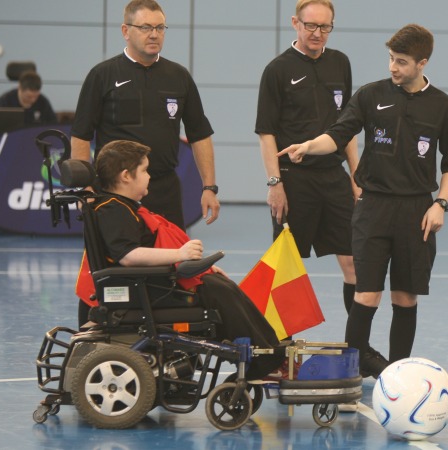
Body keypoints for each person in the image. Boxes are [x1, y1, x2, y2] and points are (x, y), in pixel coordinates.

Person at [279, 24, 448, 378]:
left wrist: (440, 203)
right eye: (391, 59)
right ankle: (351, 372)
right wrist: (307, 146)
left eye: (402, 61)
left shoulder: (443, 106)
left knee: (405, 298)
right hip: (373, 208)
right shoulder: (370, 95)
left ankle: (398, 376)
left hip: (417, 211)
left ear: (422, 62)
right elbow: (337, 136)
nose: (393, 67)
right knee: (366, 295)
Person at [90, 139, 283, 379]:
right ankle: (267, 359)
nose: (149, 176)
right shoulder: (113, 210)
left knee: (220, 285)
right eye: (145, 170)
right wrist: (180, 255)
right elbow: (128, 256)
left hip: (150, 284)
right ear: (126, 176)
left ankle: (271, 351)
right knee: (218, 292)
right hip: (142, 290)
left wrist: (199, 269)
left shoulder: (123, 207)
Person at [255, 0, 362, 345]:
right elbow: (266, 133)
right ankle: (280, 345)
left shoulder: (340, 63)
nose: (318, 34)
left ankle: (357, 344)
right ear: (295, 24)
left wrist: (356, 175)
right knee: (287, 267)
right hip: (293, 180)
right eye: (311, 26)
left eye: (325, 27)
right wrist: (275, 183)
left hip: (334, 178)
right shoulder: (277, 70)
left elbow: (346, 127)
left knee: (355, 263)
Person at [71, 0, 219, 230]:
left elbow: (199, 134)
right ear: (125, 31)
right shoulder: (102, 75)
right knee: (120, 263)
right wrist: (85, 188)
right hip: (114, 191)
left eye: (160, 28)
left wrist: (209, 187)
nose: (154, 34)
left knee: (172, 262)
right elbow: (81, 135)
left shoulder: (179, 76)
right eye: (146, 28)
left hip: (164, 189)